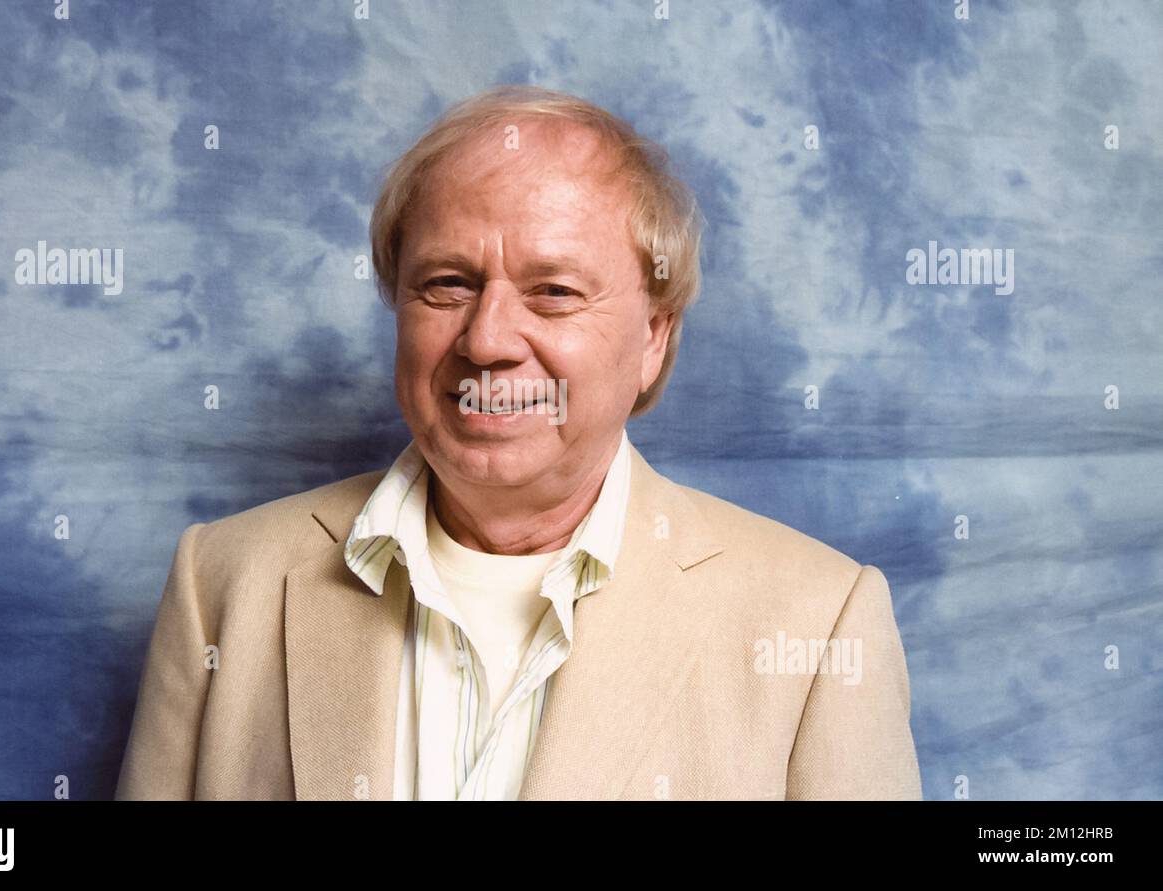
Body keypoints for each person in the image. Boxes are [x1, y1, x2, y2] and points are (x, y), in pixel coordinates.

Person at [115, 85, 922, 800]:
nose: (489, 338)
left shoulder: (816, 624)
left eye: (554, 291)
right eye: (447, 284)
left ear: (652, 337)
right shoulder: (220, 583)